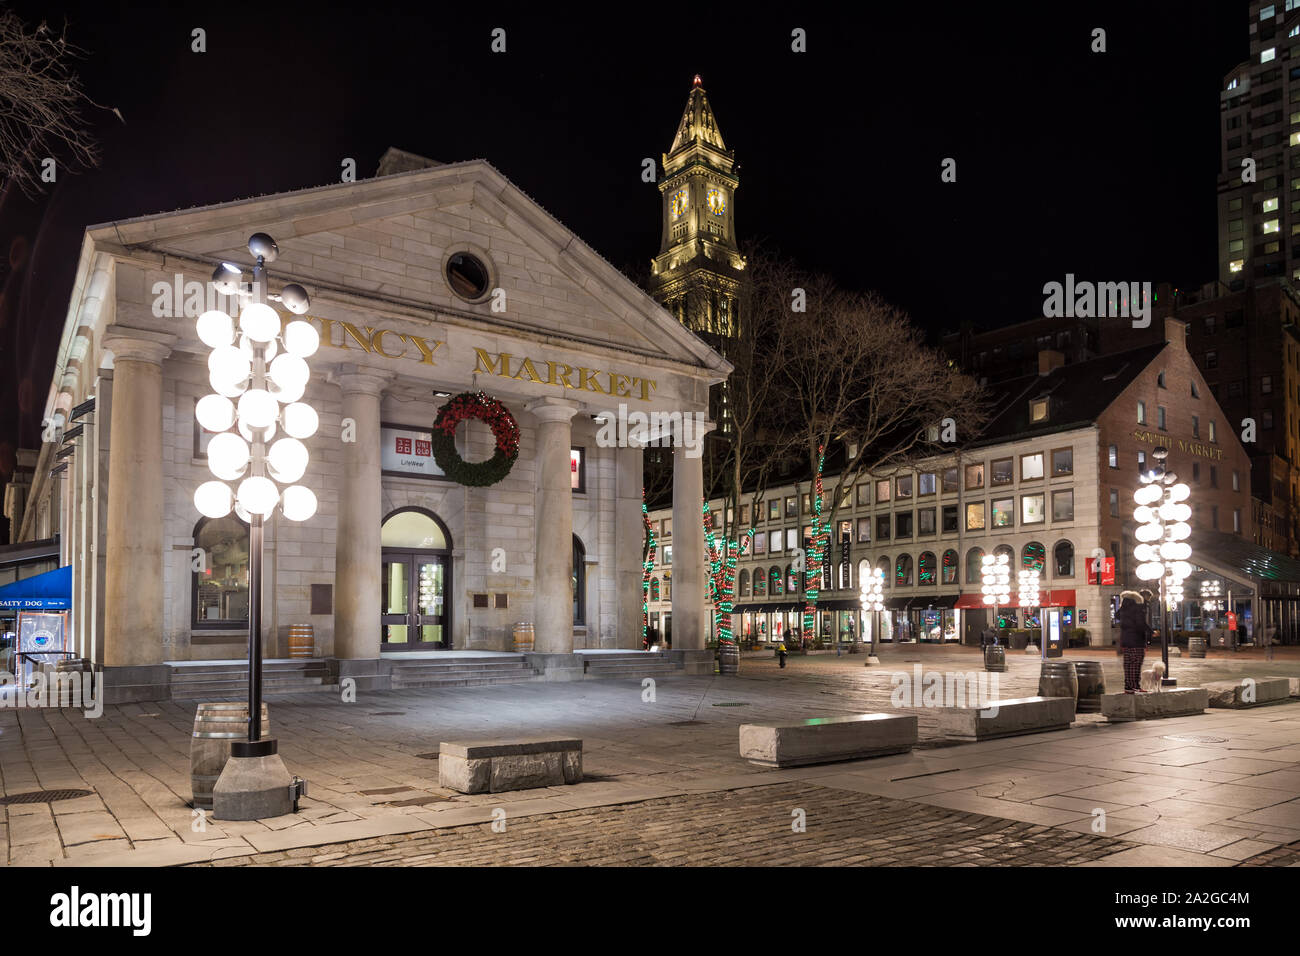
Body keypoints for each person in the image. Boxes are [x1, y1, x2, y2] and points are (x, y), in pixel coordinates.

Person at [1118, 589, 1153, 693]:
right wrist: (1150, 631)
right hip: (1136, 640)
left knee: (1128, 664)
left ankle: (1128, 687)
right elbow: (1140, 624)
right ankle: (1135, 686)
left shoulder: (1123, 610)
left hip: (1126, 641)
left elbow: (1117, 616)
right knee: (1136, 664)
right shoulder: (1137, 608)